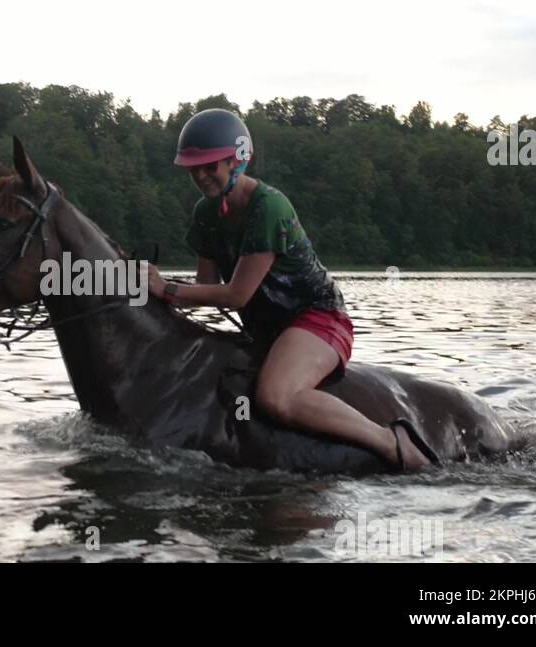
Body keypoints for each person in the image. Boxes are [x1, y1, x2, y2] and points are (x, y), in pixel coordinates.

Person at [146, 108, 440, 471]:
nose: (202, 175)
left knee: (275, 397)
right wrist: (149, 293)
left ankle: (392, 442)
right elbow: (206, 288)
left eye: (211, 165)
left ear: (237, 160)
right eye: (194, 167)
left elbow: (237, 295)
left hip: (318, 318)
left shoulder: (268, 207)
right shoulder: (205, 214)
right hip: (268, 332)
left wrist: (167, 287)